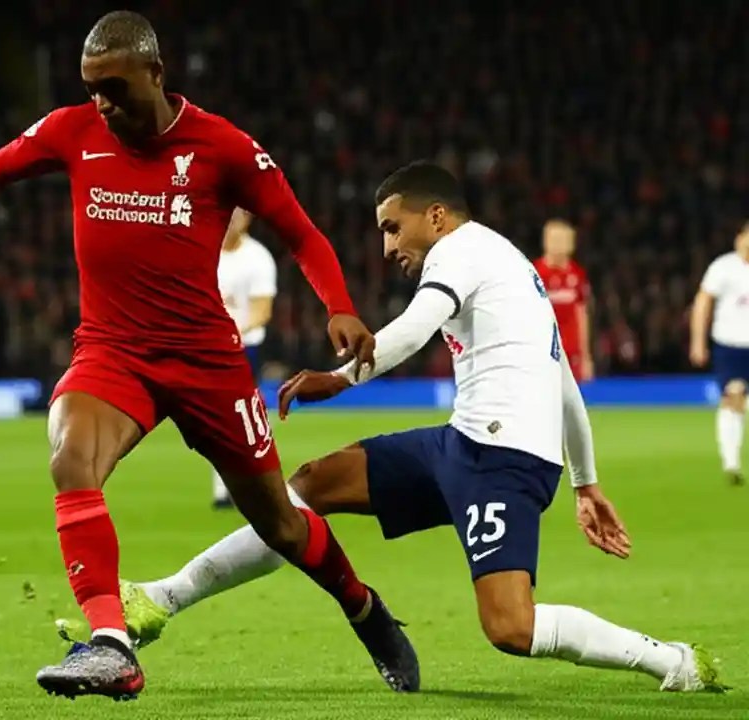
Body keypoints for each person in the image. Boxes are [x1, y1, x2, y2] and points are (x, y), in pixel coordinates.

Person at [0, 10, 410, 701]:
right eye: (91, 89)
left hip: (207, 364)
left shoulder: (222, 147)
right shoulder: (72, 131)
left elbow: (301, 232)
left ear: (157, 73)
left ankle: (363, 608)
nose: (101, 104)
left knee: (282, 527)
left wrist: (338, 303)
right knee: (69, 458)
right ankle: (110, 644)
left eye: (114, 87)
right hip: (113, 353)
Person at [121, 161, 723, 693]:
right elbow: (562, 380)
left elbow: (415, 326)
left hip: (503, 464)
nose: (387, 247)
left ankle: (671, 661)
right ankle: (162, 597)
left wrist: (341, 378)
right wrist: (586, 483)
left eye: (392, 227)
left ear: (435, 216)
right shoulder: (511, 267)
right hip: (462, 443)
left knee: (511, 628)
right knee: (309, 485)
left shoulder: (462, 253)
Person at [212, 208, 277, 508]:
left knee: (244, 419)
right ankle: (223, 490)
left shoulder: (258, 258)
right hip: (209, 346)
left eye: (237, 214)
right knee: (214, 418)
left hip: (244, 348)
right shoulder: (205, 250)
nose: (230, 220)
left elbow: (262, 313)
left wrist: (232, 332)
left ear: (248, 218)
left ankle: (257, 484)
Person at [689, 221, 749, 486]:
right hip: (730, 346)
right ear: (739, 237)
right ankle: (731, 462)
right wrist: (697, 342)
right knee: (733, 397)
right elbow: (703, 303)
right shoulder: (723, 267)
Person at [533, 220, 593, 381]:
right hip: (543, 349)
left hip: (571, 350)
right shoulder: (535, 273)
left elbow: (582, 314)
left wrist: (585, 355)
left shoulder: (577, 274)